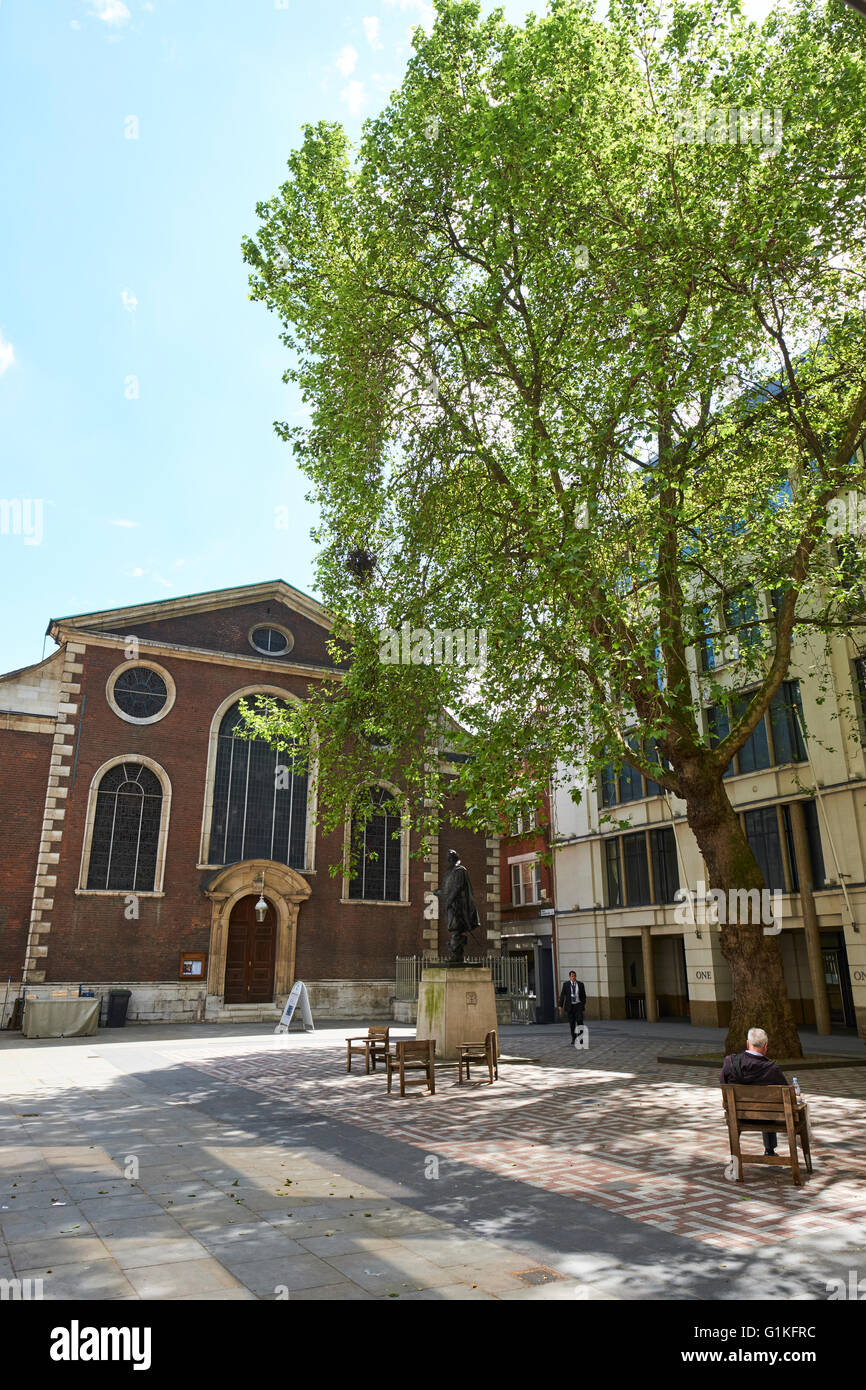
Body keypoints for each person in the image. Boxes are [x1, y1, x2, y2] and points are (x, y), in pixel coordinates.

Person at [719, 1026, 788, 1156]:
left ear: (747, 1043)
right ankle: (770, 1150)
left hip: (738, 1115)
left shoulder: (730, 1062)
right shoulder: (772, 1069)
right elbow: (787, 1094)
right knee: (770, 1106)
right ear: (765, 1046)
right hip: (767, 1117)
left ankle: (735, 1156)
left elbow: (723, 1082)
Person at [558, 971, 587, 1044]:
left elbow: (583, 996)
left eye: (574, 976)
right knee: (572, 1023)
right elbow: (562, 995)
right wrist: (560, 1005)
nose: (573, 977)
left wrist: (582, 1004)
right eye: (572, 976)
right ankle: (574, 1038)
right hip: (570, 1006)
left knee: (580, 1021)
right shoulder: (566, 985)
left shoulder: (580, 984)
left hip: (578, 1006)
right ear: (569, 977)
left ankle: (581, 1038)